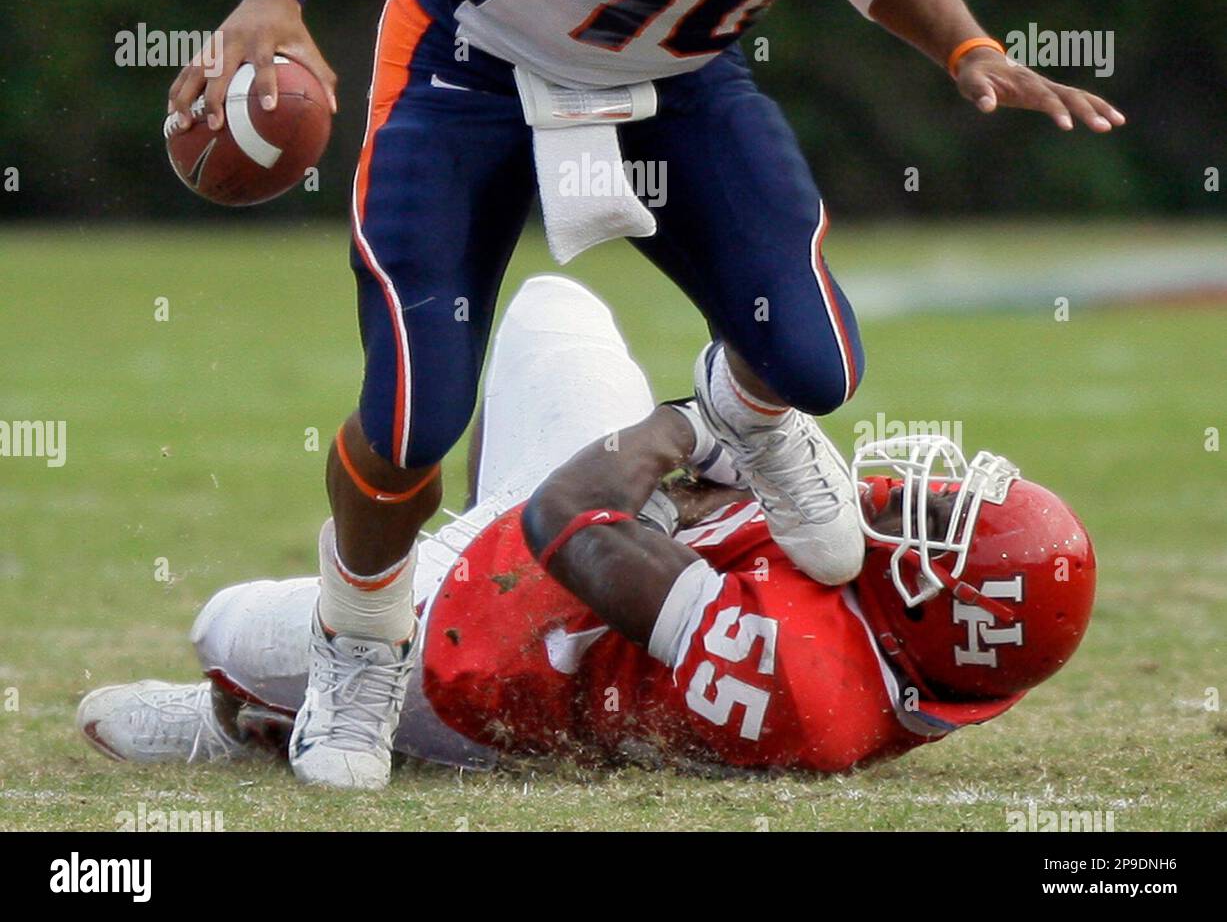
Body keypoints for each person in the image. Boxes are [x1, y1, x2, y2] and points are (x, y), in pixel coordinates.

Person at [166, 0, 1122, 788]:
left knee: (814, 358)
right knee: (415, 412)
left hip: (674, 75)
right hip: (475, 64)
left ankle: (738, 423)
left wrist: (965, 40)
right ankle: (359, 642)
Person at [79, 278, 1095, 779]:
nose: (909, 494)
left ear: (940, 607)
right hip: (567, 558)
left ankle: (238, 718)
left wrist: (696, 422)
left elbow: (572, 514)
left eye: (935, 521)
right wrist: (701, 485)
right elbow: (651, 514)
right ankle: (446, 544)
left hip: (496, 656)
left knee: (225, 626)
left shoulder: (809, 680)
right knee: (552, 302)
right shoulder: (929, 637)